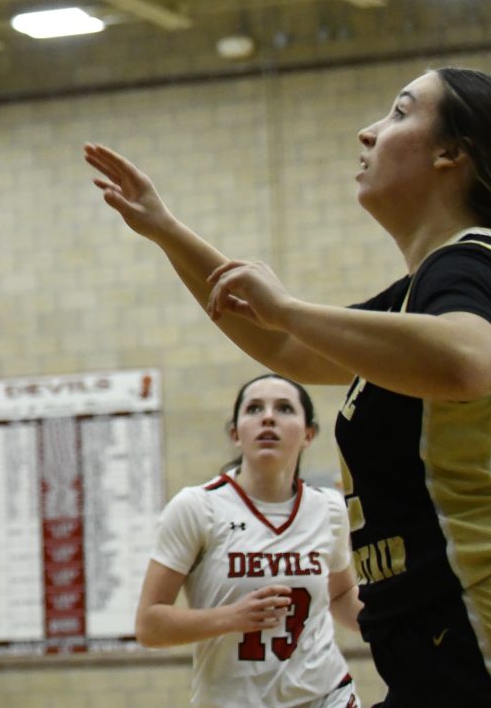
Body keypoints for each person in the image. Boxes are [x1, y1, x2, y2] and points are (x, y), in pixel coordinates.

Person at [89, 65, 491, 701]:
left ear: (451, 152)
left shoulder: (471, 261)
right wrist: (166, 229)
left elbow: (470, 360)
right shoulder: (415, 298)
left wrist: (290, 308)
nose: (368, 132)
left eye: (399, 112)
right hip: (431, 660)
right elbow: (282, 345)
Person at [136, 375, 357, 707]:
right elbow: (150, 625)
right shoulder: (197, 508)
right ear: (235, 434)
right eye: (254, 408)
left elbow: (340, 594)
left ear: (308, 434)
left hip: (327, 694)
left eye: (284, 408)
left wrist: (406, 631)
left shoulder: (329, 508)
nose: (268, 416)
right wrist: (232, 617)